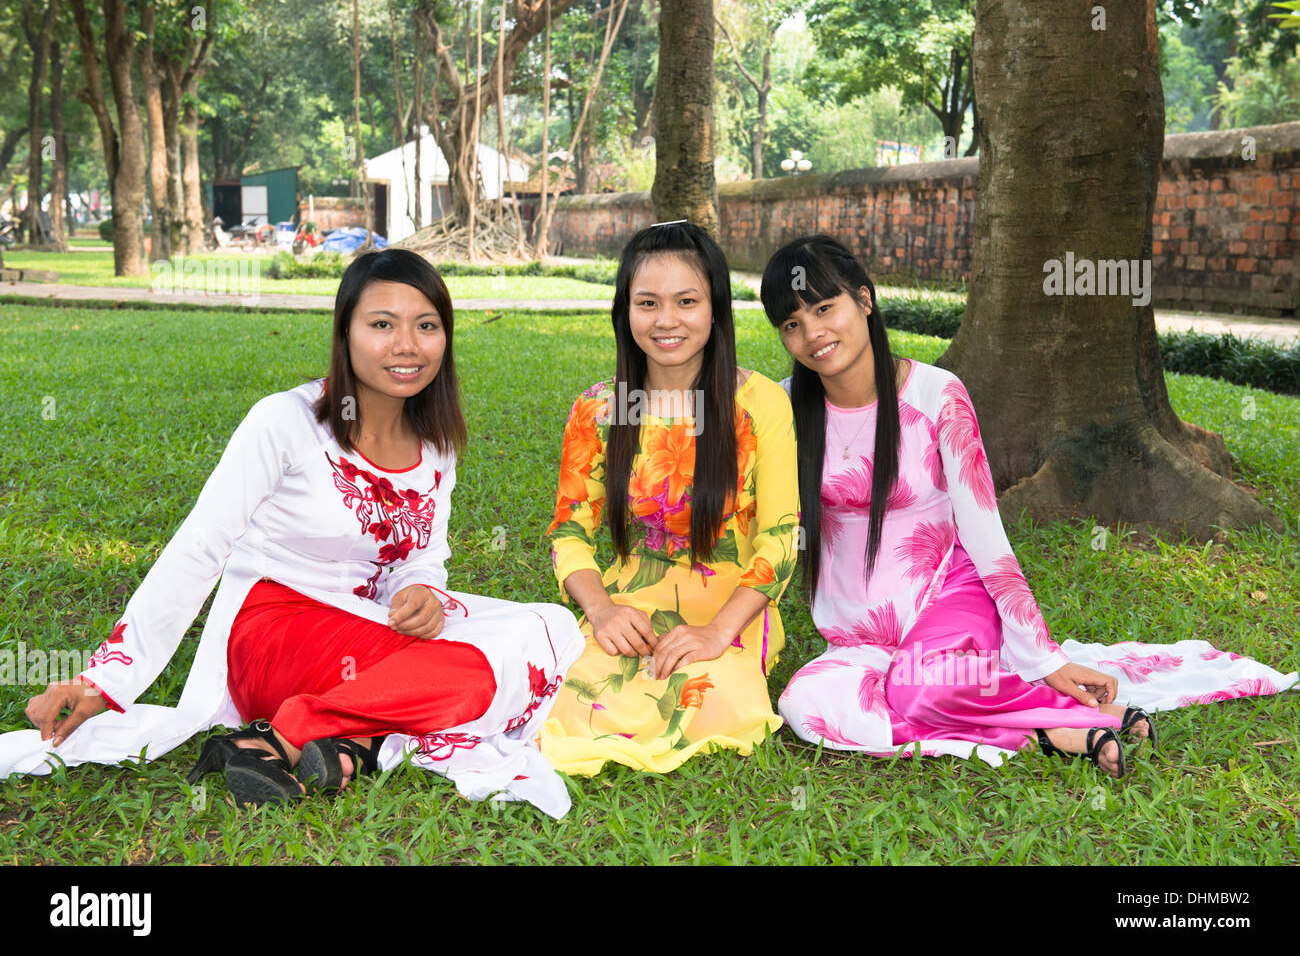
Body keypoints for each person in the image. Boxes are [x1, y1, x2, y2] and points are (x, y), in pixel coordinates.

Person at [5, 249, 584, 816]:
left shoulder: (435, 444)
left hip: (370, 629)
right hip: (273, 633)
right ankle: (295, 734)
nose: (406, 345)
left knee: (551, 626)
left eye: (426, 326)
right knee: (490, 667)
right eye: (382, 324)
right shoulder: (285, 421)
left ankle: (355, 741)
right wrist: (105, 679)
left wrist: (423, 591)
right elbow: (200, 546)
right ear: (346, 332)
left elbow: (425, 555)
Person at [760, 235, 1297, 777]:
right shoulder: (783, 408)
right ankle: (1045, 726)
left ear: (865, 299)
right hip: (859, 633)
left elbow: (986, 533)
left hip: (947, 597)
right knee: (804, 705)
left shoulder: (935, 395)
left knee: (920, 687)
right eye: (792, 324)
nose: (814, 334)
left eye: (825, 308)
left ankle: (1051, 710)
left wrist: (1044, 656)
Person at [540, 222, 799, 775]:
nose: (666, 321)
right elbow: (569, 532)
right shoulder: (598, 409)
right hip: (627, 615)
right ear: (625, 310)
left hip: (729, 617)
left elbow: (781, 540)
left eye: (687, 301)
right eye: (647, 303)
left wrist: (715, 633)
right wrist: (602, 611)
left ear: (715, 308)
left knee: (716, 700)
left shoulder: (761, 403)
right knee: (559, 698)